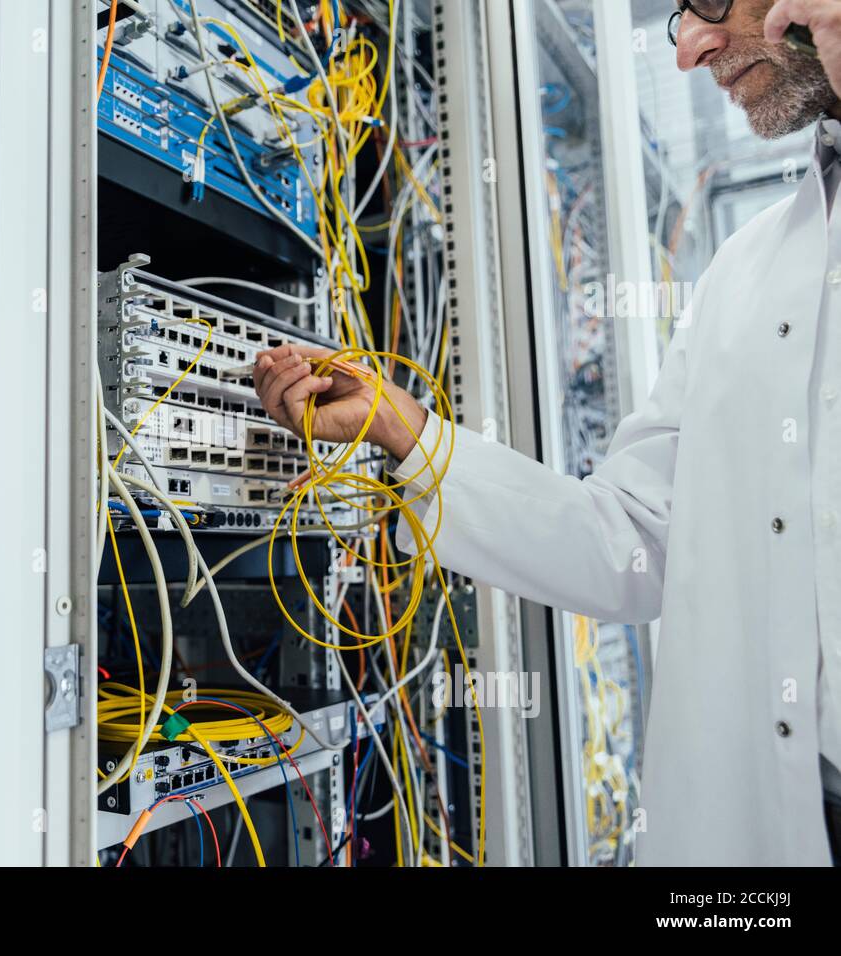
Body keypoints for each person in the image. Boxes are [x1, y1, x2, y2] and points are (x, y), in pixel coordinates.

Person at [252, 0, 841, 865]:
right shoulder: (745, 271)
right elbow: (630, 539)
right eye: (676, 16)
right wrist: (404, 428)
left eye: (709, 5)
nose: (687, 47)